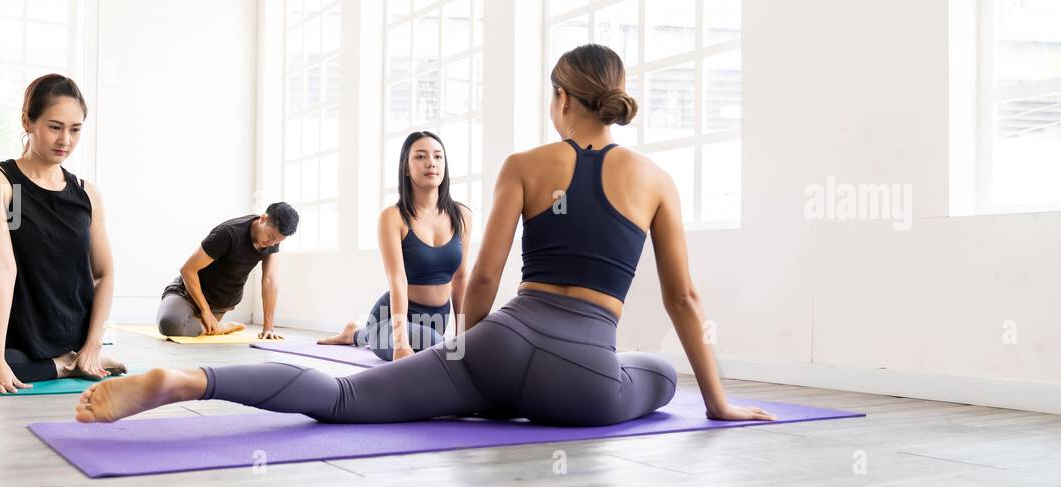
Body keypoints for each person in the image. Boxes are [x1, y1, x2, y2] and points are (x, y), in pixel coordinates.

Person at [73, 44, 772, 426]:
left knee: (344, 398)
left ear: (561, 98)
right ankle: (520, 395)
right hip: (584, 379)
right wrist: (718, 403)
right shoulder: (655, 180)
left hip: (501, 345)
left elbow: (487, 280)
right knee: (656, 373)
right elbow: (682, 294)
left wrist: (470, 360)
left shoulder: (524, 166)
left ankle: (188, 380)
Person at [0, 73, 125, 393]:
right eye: (55, 127)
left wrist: (93, 344)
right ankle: (63, 365)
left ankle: (77, 356)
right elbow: (0, 264)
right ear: (27, 121)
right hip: (12, 329)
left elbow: (104, 273)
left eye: (75, 129)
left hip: (67, 328)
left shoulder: (88, 193)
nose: (65, 140)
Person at [317, 131, 469, 361]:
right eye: (420, 157)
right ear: (406, 168)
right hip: (390, 320)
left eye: (438, 157)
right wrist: (400, 343)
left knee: (444, 344)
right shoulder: (393, 217)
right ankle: (367, 333)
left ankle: (355, 334)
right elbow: (397, 280)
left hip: (435, 322)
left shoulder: (462, 215)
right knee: (442, 349)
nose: (431, 162)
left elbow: (460, 279)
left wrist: (463, 334)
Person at [157, 203, 299, 339]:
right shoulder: (228, 233)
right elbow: (187, 270)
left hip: (219, 305)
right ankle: (220, 327)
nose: (272, 244)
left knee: (187, 326)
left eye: (278, 242)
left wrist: (268, 328)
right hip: (187, 294)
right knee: (169, 324)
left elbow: (269, 281)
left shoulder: (272, 242)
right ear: (263, 219)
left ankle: (210, 326)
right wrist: (205, 311)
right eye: (271, 237)